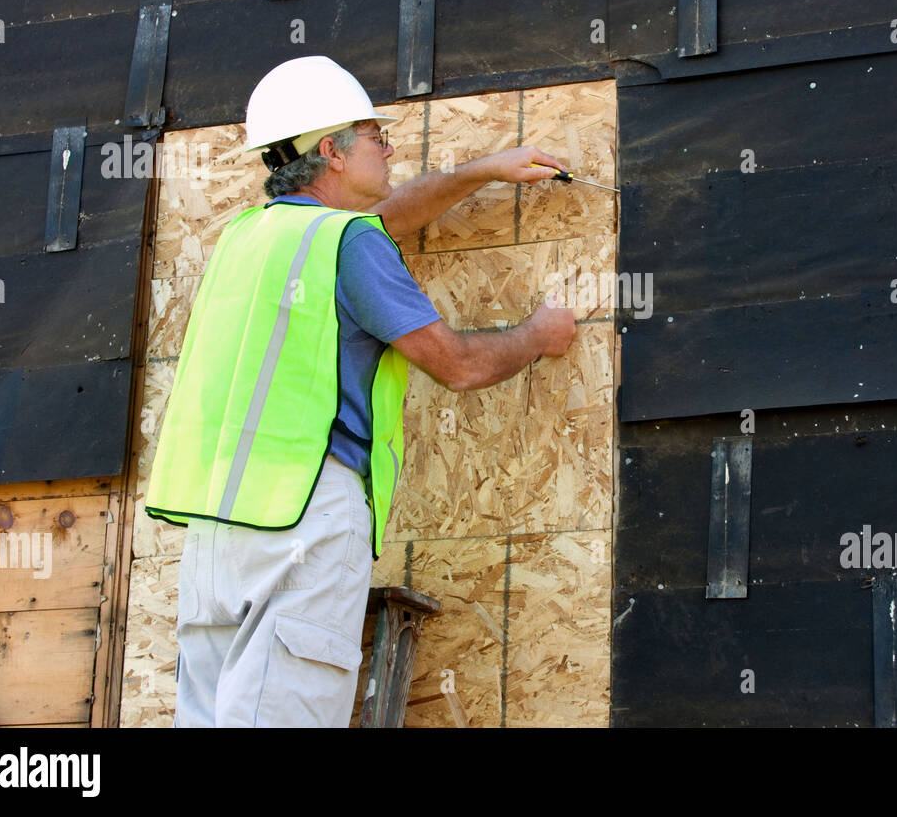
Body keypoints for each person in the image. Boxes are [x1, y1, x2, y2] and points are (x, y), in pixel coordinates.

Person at [144, 55, 577, 726]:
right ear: (331, 150)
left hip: (216, 531)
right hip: (304, 520)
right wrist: (538, 335)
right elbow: (456, 364)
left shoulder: (247, 237)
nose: (390, 148)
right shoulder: (347, 243)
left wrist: (480, 171)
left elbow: (380, 221)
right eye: (376, 137)